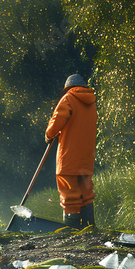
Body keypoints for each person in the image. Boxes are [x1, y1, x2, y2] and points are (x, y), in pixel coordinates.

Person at [45, 74, 98, 229]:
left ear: (68, 87)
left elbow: (57, 121)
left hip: (69, 157)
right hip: (86, 159)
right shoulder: (92, 103)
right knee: (86, 193)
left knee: (69, 193)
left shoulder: (68, 98)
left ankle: (71, 228)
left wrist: (48, 135)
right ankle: (89, 226)